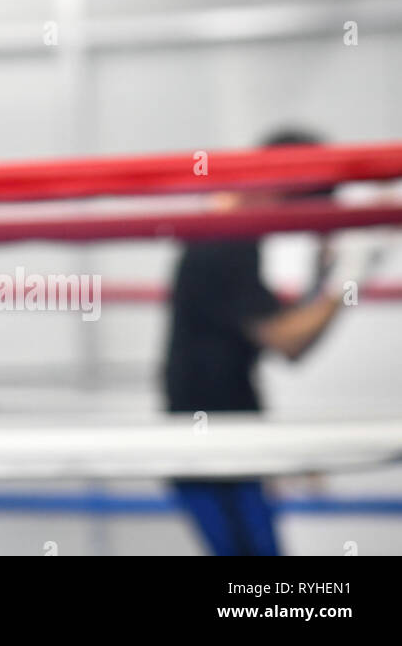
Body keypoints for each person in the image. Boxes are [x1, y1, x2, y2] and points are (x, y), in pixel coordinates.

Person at [163, 128, 384, 556]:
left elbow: (283, 335)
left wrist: (332, 277)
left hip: (232, 441)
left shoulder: (235, 238)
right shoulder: (224, 242)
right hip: (207, 450)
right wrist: (351, 275)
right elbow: (289, 341)